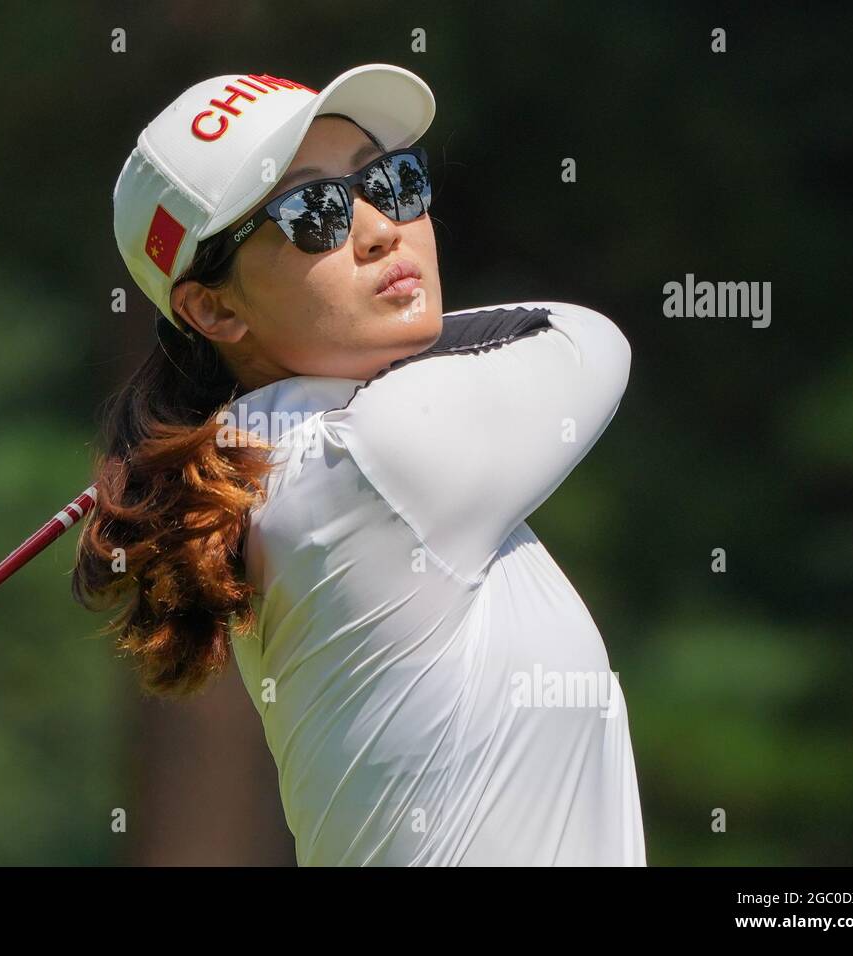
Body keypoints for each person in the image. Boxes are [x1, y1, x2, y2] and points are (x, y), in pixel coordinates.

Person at [74, 64, 647, 866]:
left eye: (392, 180)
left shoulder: (286, 459)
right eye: (314, 211)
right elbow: (583, 337)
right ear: (214, 309)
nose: (381, 227)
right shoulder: (376, 453)